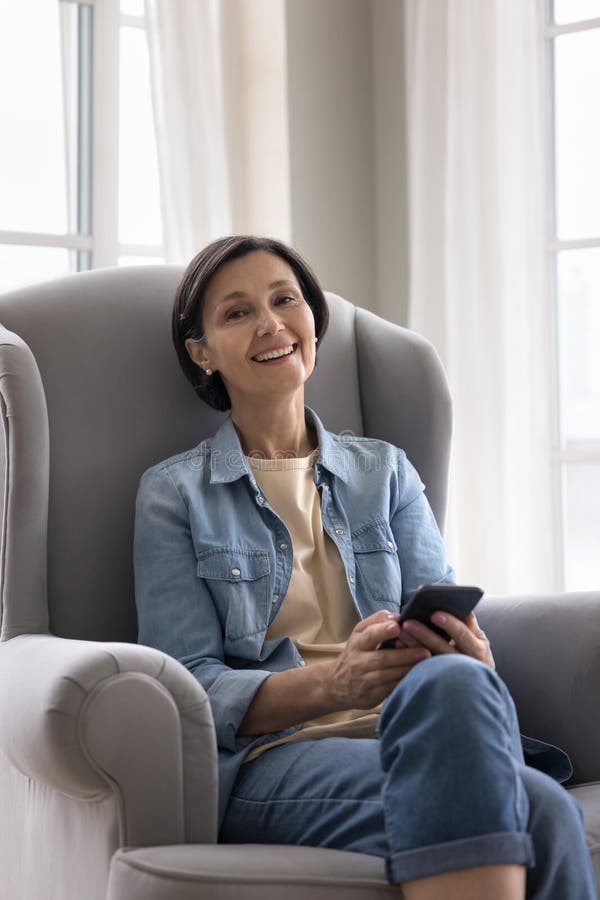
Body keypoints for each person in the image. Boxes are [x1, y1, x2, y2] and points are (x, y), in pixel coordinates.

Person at [134, 235, 596, 900]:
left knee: (479, 716)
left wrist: (470, 654)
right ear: (201, 353)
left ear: (312, 320)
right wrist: (335, 685)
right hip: (274, 758)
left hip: (416, 728)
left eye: (284, 300)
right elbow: (189, 691)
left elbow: (441, 621)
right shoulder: (173, 494)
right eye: (237, 313)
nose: (270, 324)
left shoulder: (385, 471)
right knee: (543, 812)